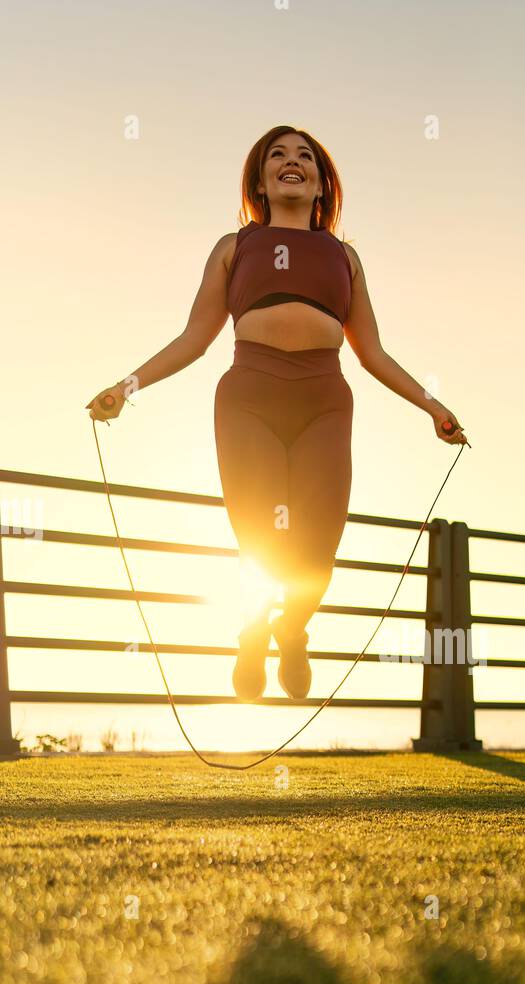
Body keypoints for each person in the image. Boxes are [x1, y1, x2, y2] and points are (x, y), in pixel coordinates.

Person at [85, 124, 467, 701]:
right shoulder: (234, 247)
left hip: (324, 402)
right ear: (260, 182)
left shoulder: (346, 257)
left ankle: (290, 628)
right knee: (262, 533)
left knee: (317, 545)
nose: (292, 162)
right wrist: (127, 385)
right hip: (249, 399)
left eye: (305, 156)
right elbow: (194, 337)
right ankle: (251, 629)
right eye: (278, 156)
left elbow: (374, 353)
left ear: (321, 184)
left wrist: (433, 407)